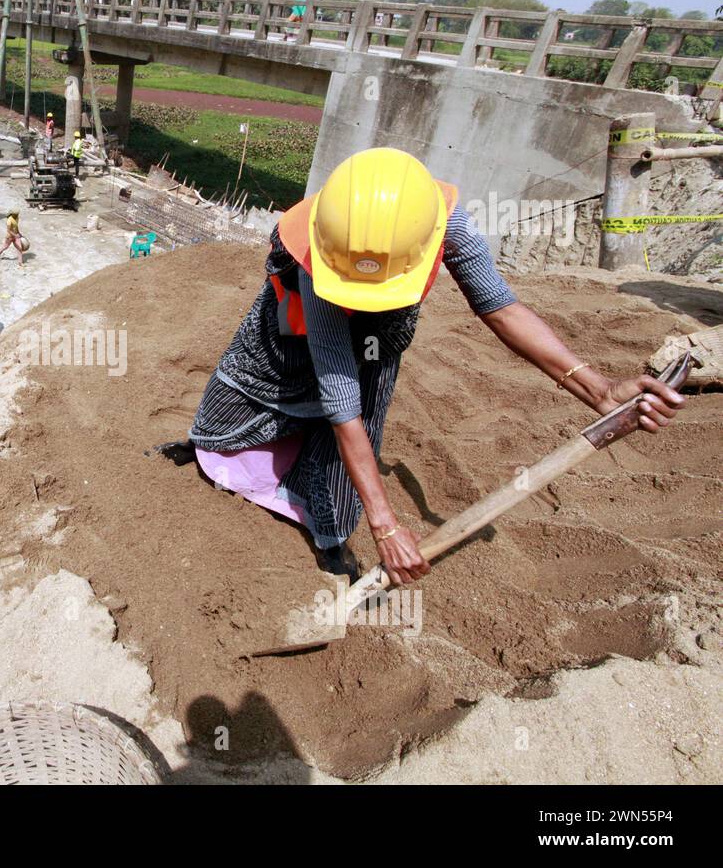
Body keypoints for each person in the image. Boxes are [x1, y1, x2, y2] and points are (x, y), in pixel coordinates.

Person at [179, 147, 682, 583]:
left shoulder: (445, 225)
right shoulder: (322, 246)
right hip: (293, 330)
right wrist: (388, 524)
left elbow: (501, 308)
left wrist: (600, 393)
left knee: (358, 418)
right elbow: (338, 395)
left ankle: (329, 533)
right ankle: (217, 444)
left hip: (380, 337)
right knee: (248, 400)